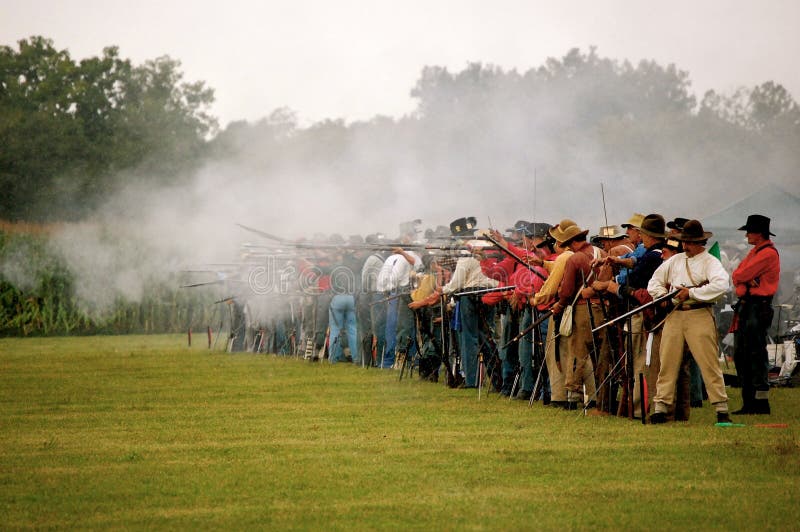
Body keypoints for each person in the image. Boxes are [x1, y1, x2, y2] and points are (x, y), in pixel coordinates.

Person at [647, 220, 733, 424]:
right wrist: (664, 297)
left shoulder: (711, 262)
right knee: (667, 361)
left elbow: (721, 285)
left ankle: (721, 408)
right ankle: (661, 407)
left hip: (699, 313)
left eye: (690, 242)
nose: (686, 246)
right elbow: (654, 282)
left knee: (709, 362)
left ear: (700, 242)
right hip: (675, 314)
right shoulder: (675, 261)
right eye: (684, 242)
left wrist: (692, 293)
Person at [731, 214, 780, 415]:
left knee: (755, 353)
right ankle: (749, 402)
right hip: (749, 306)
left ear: (758, 233)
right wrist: (744, 280)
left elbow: (740, 275)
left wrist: (743, 280)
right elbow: (738, 274)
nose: (747, 236)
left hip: (757, 307)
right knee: (742, 354)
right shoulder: (756, 252)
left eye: (749, 232)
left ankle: (760, 403)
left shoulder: (767, 254)